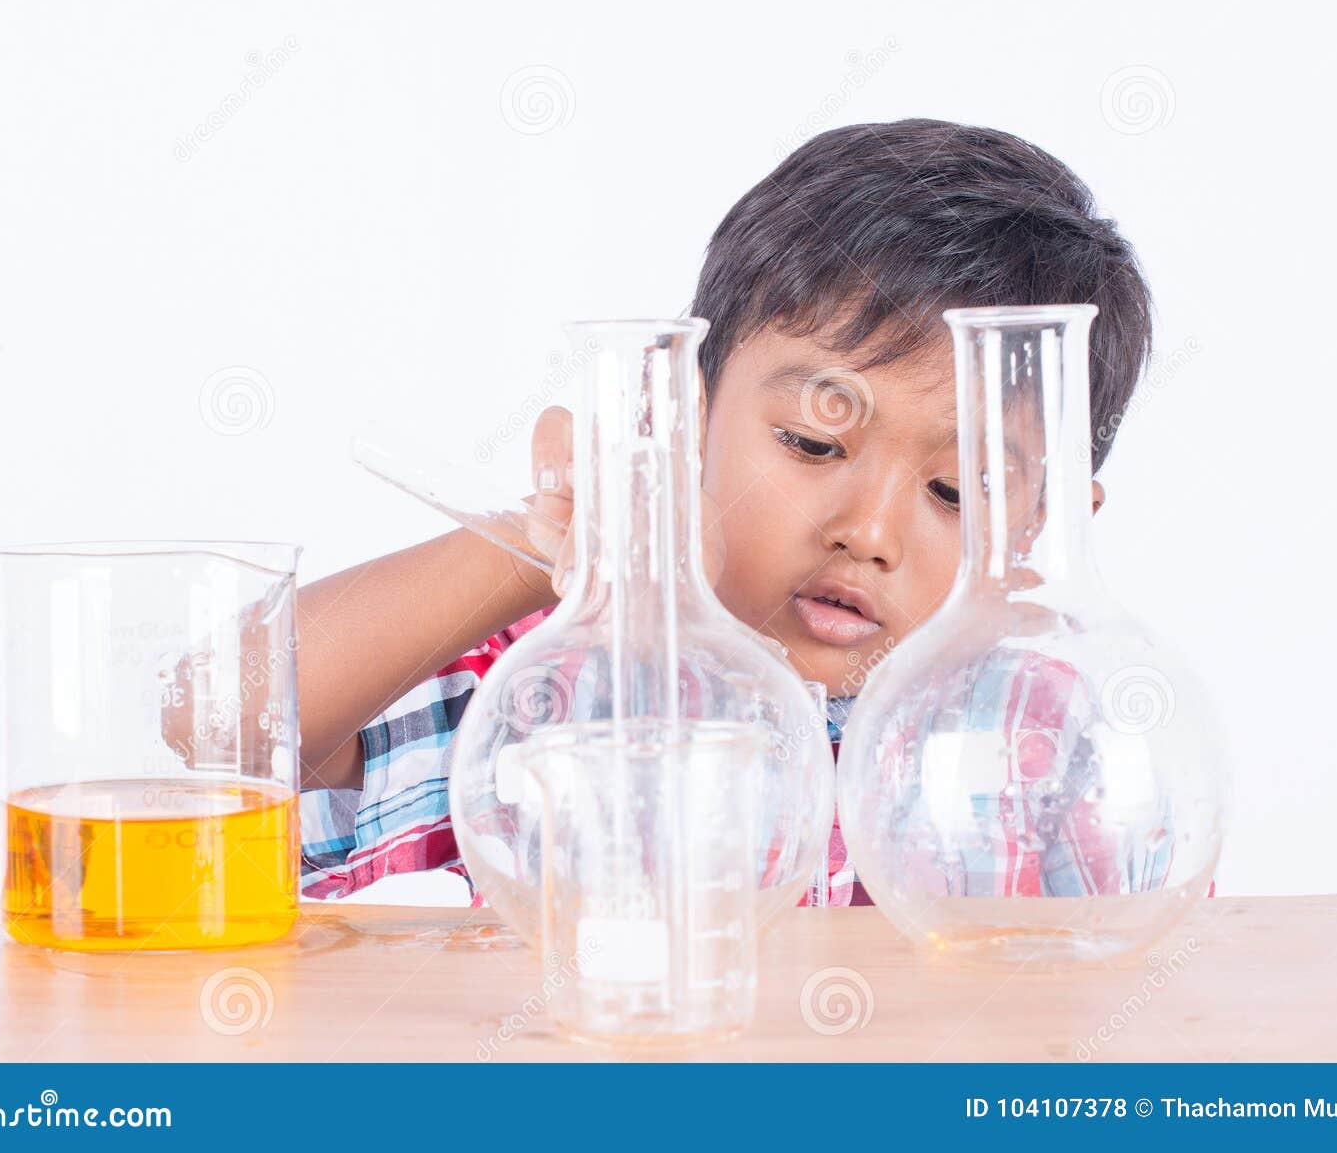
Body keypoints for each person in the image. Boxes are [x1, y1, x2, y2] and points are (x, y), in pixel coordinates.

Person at [296, 118, 1153, 904]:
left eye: (957, 492)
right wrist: (537, 542)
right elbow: (222, 727)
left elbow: (1135, 1000)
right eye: (813, 442)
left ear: (1046, 523)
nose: (869, 533)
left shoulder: (1047, 736)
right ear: (683, 417)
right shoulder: (555, 692)